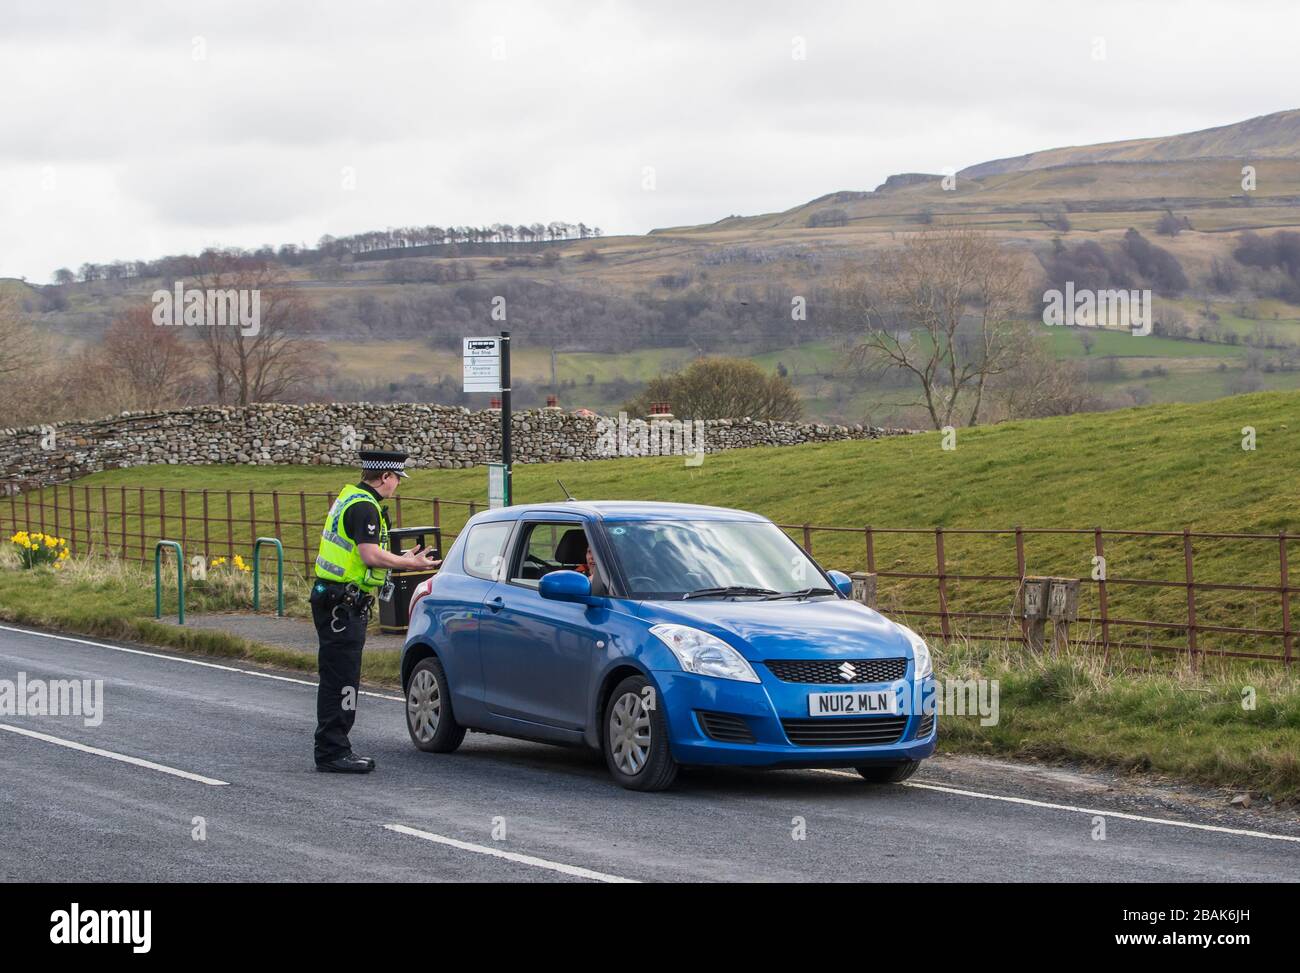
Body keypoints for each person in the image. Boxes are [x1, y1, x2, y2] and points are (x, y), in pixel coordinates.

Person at [311, 449, 440, 773]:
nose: (397, 485)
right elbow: (369, 555)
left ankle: (333, 746)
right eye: (397, 478)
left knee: (338, 676)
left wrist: (397, 555)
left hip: (336, 599)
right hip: (343, 605)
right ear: (385, 477)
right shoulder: (365, 507)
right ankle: (333, 751)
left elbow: (364, 553)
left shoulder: (351, 498)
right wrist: (409, 562)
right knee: (342, 680)